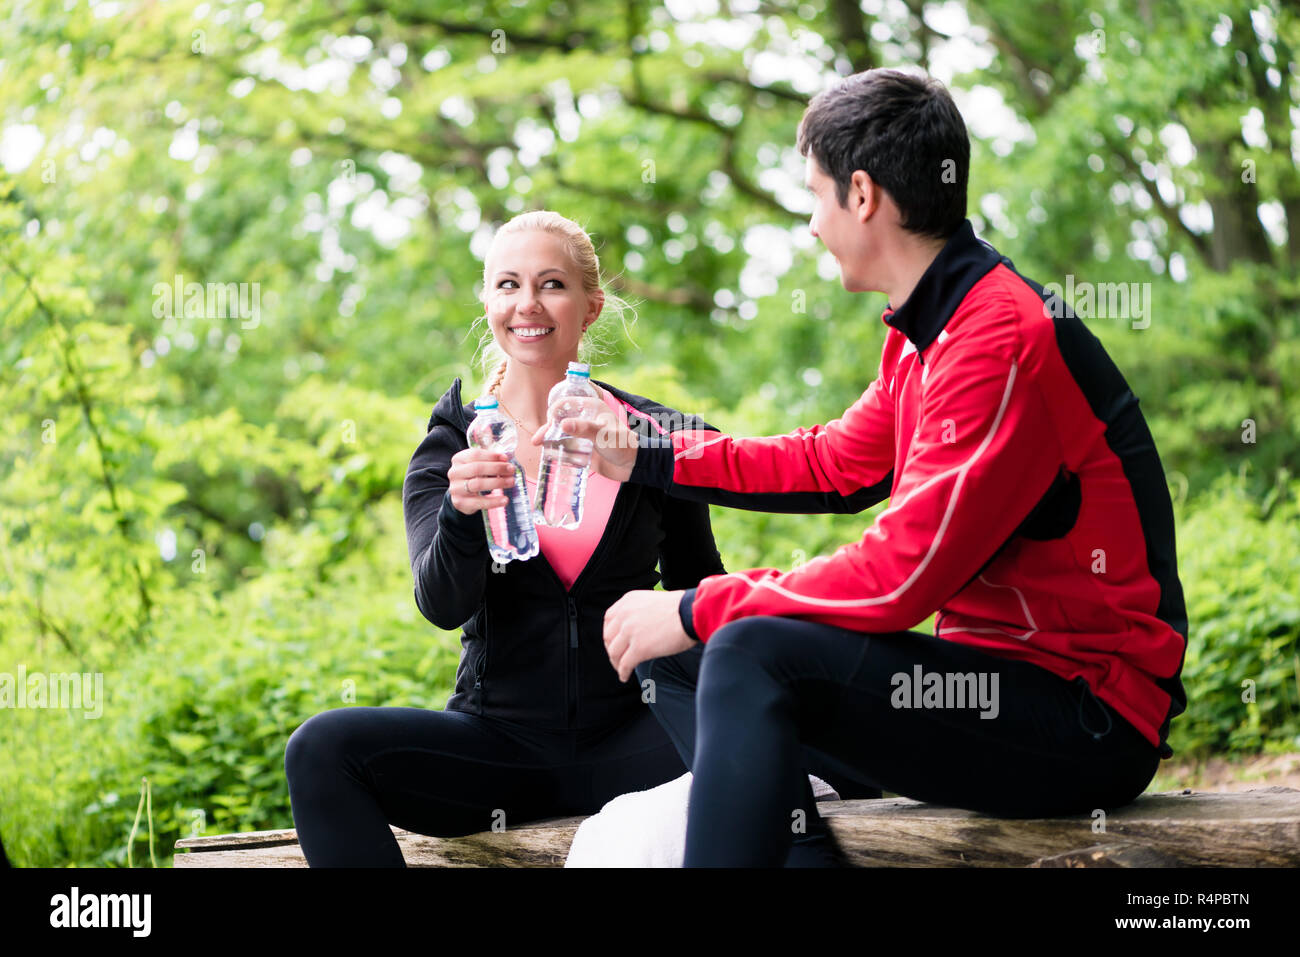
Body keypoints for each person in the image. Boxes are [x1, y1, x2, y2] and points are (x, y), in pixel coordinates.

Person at [556, 69, 1189, 867]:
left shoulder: (996, 336)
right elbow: (834, 464)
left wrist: (697, 604)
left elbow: (899, 578)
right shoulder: (925, 329)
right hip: (978, 690)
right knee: (675, 653)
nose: (812, 224)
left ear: (861, 194)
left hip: (1084, 714)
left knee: (739, 643)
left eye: (815, 195)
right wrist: (646, 450)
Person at [284, 210, 729, 866]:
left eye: (551, 284)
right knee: (321, 748)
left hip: (637, 745)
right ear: (488, 301)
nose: (528, 304)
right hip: (499, 752)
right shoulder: (451, 442)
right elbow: (440, 603)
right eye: (507, 285)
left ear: (591, 305)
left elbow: (702, 594)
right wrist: (463, 513)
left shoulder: (649, 435)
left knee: (794, 705)